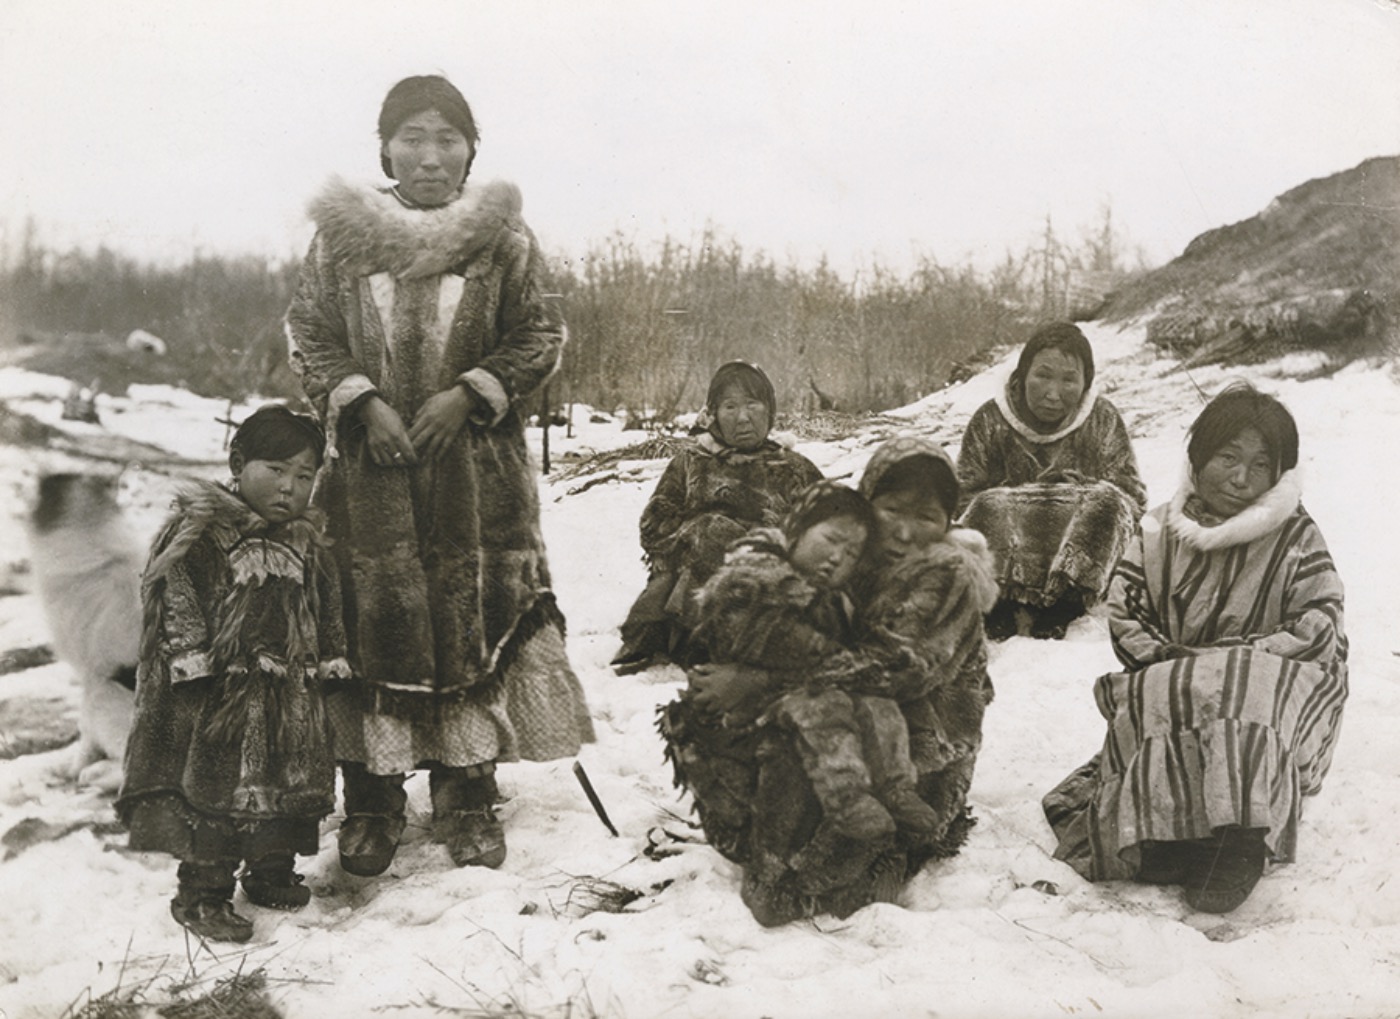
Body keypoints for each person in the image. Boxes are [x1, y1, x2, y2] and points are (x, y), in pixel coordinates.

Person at [284, 74, 594, 878]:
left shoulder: (504, 236)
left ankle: (466, 791)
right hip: (368, 480)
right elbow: (309, 330)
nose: (429, 157)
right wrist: (362, 402)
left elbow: (540, 331)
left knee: (474, 622)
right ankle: (374, 800)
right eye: (412, 138)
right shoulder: (341, 236)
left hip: (476, 481)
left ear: (471, 148)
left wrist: (471, 392)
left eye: (446, 139)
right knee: (363, 626)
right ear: (384, 146)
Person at [664, 436, 997, 925]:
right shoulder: (850, 548)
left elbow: (894, 670)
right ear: (867, 502)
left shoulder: (947, 576)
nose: (904, 532)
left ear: (948, 523)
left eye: (926, 518)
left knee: (822, 875)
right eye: (892, 509)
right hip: (840, 716)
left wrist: (757, 680)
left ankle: (886, 855)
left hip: (919, 747)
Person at [1042, 383, 1348, 914]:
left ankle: (1241, 840)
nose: (1241, 477)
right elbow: (1125, 615)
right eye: (1227, 457)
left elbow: (1320, 623)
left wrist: (1237, 658)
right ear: (1198, 457)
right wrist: (1171, 660)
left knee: (1242, 681)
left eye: (1259, 464)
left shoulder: (1296, 536)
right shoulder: (1161, 531)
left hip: (1275, 698)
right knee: (1158, 690)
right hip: (1177, 679)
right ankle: (1174, 839)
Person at [116, 406, 345, 943]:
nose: (289, 487)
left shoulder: (304, 540)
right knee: (215, 789)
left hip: (288, 691)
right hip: (219, 692)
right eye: (276, 469)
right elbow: (172, 591)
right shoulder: (199, 530)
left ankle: (269, 871)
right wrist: (192, 658)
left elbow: (325, 600)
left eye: (304, 476)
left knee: (285, 782)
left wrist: (332, 656)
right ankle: (203, 890)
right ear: (238, 464)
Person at [687, 480, 943, 874]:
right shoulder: (754, 580)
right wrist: (824, 665)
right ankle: (845, 799)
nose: (837, 558)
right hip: (742, 722)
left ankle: (895, 788)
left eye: (852, 552)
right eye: (831, 539)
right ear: (796, 528)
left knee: (877, 704)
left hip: (782, 699)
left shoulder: (831, 597)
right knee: (827, 705)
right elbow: (803, 652)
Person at [612, 361, 823, 673]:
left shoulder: (795, 468)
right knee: (710, 530)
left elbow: (835, 524)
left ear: (770, 409)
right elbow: (655, 521)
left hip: (771, 587)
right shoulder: (692, 462)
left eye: (753, 404)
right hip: (695, 585)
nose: (742, 417)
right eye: (730, 406)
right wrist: (694, 535)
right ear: (713, 413)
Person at [957, 322, 1147, 639]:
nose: (1053, 392)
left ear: (1086, 383)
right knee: (988, 504)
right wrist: (1022, 498)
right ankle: (999, 606)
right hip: (1007, 558)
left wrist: (1084, 488)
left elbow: (1132, 500)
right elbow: (962, 499)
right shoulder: (990, 419)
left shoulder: (1102, 419)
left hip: (1074, 551)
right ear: (1023, 374)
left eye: (1069, 380)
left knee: (1108, 501)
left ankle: (1065, 606)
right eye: (1043, 375)